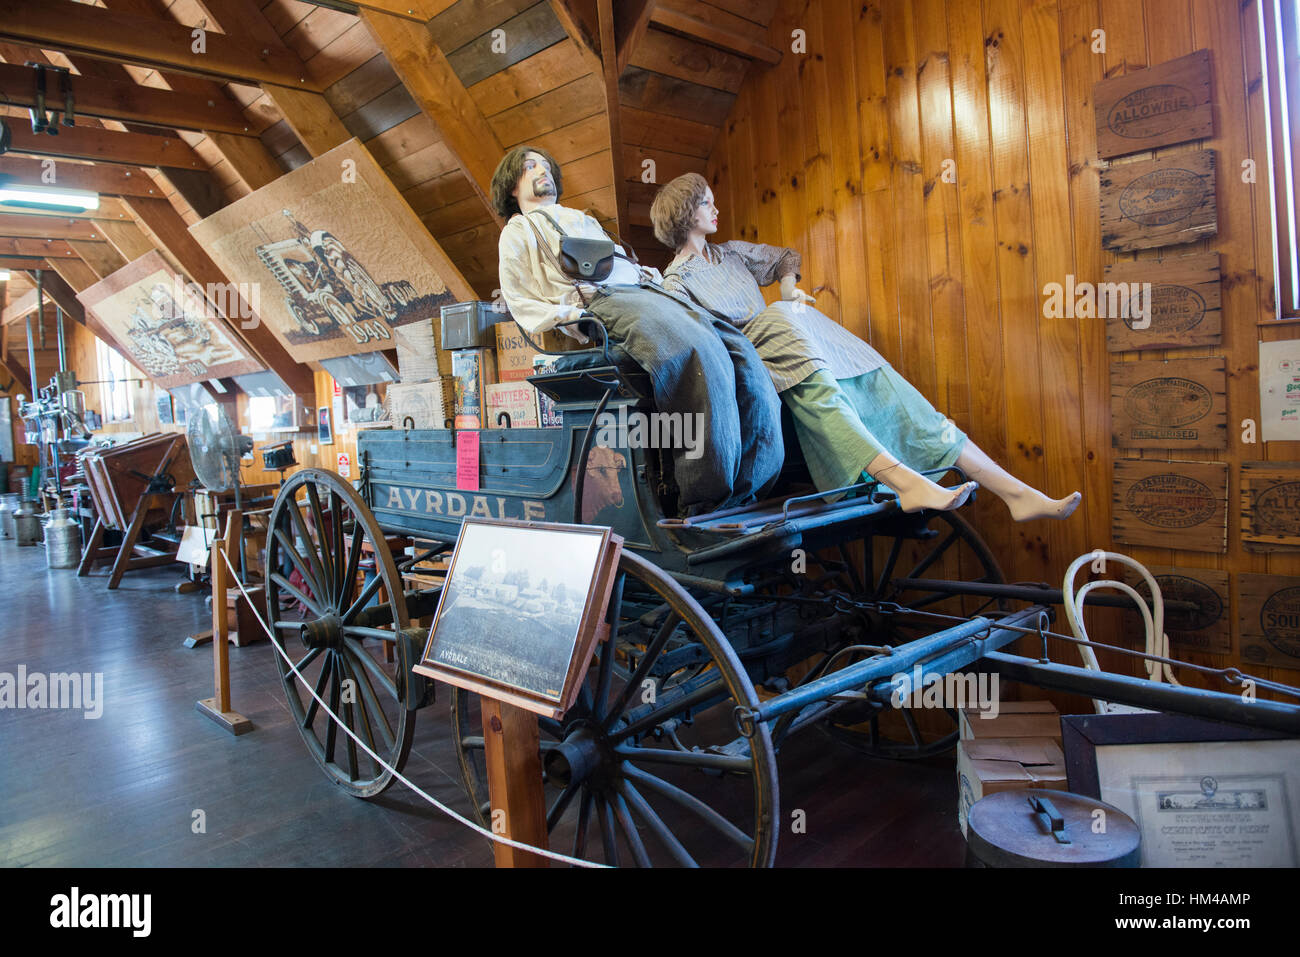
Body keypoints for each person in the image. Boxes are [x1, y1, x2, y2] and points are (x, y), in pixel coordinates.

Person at [651, 173, 1081, 521]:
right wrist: (777, 313)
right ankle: (904, 483)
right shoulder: (677, 283)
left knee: (885, 385)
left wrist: (788, 290)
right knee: (821, 391)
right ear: (688, 213)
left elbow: (785, 257)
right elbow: (706, 346)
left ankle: (1015, 492)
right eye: (708, 202)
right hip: (759, 355)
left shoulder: (730, 254)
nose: (717, 209)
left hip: (794, 329)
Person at [491, 146, 784, 515]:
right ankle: (704, 500)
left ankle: (749, 488)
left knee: (739, 349)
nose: (542, 171)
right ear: (511, 187)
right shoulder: (518, 230)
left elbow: (619, 262)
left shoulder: (580, 218)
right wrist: (573, 317)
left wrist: (650, 276)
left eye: (546, 166)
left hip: (647, 290)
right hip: (603, 300)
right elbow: (520, 298)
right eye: (530, 167)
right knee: (693, 350)